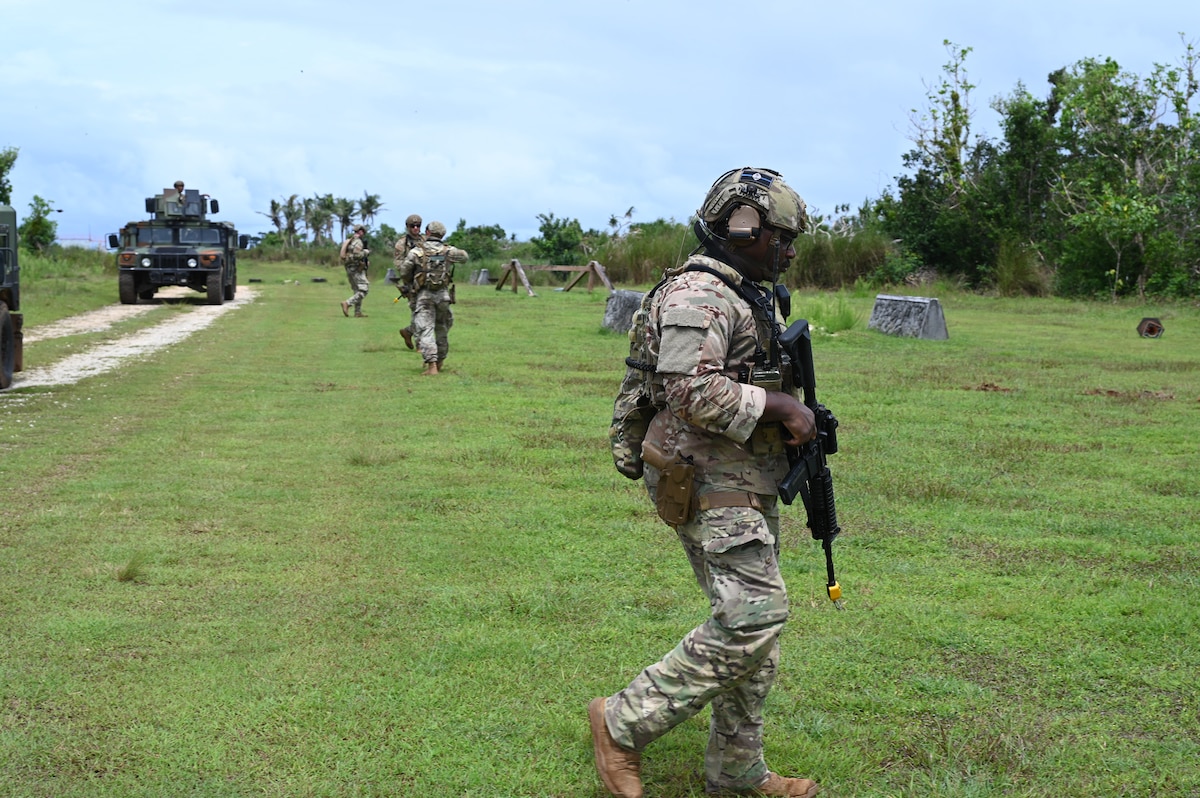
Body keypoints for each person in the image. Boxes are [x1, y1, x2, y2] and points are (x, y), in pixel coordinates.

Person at [591, 168, 820, 798]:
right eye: (781, 236)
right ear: (742, 230)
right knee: (754, 617)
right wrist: (782, 410)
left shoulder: (743, 288)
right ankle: (620, 723)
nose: (789, 249)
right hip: (704, 473)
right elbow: (687, 389)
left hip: (740, 472)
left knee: (756, 628)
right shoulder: (700, 294)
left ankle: (737, 771)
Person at [398, 220, 467, 375]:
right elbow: (464, 257)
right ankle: (440, 361)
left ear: (428, 233)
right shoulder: (449, 251)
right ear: (442, 234)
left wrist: (411, 282)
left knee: (425, 330)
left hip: (424, 295)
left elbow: (404, 271)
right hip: (443, 295)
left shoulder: (417, 252)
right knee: (442, 328)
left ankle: (432, 366)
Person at [394, 214, 424, 348]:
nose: (416, 228)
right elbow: (398, 264)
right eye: (413, 226)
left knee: (425, 311)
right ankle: (420, 343)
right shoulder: (402, 244)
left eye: (418, 225)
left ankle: (408, 331)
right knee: (417, 311)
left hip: (425, 281)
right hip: (411, 282)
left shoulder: (425, 240)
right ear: (407, 227)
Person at [340, 223, 370, 317]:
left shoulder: (351, 240)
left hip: (350, 267)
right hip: (356, 268)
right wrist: (365, 252)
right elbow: (357, 255)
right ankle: (347, 303)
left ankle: (357, 312)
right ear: (361, 231)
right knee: (364, 289)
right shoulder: (358, 242)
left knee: (357, 290)